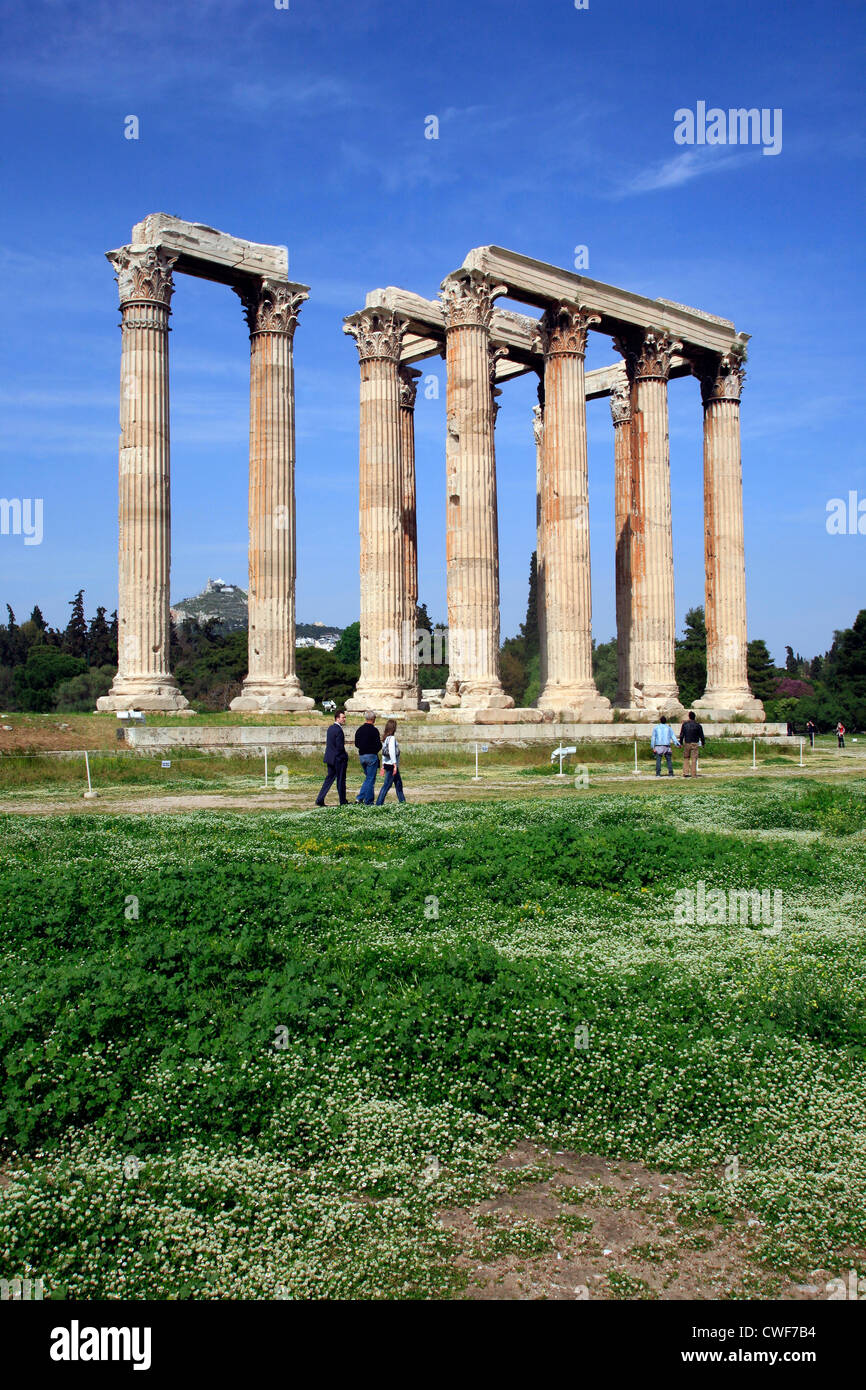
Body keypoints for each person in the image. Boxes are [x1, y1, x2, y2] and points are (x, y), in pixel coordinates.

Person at [315, 709, 348, 807]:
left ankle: (320, 799)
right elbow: (339, 747)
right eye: (343, 717)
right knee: (341, 780)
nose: (344, 719)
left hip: (330, 758)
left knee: (329, 779)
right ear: (337, 718)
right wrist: (344, 757)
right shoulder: (339, 730)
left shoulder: (330, 728)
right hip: (338, 759)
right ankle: (342, 801)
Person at [375, 719, 406, 805]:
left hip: (388, 764)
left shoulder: (386, 738)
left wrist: (383, 765)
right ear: (393, 728)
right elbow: (391, 752)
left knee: (398, 784)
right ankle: (379, 803)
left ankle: (403, 802)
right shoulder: (392, 738)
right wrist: (395, 765)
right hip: (392, 765)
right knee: (386, 785)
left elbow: (384, 753)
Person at [354, 711, 382, 804]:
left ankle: (360, 797)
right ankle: (368, 801)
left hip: (362, 755)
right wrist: (374, 750)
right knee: (371, 779)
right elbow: (378, 744)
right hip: (371, 756)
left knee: (368, 778)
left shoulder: (359, 729)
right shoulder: (374, 730)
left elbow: (356, 743)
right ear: (373, 719)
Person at [678, 710, 705, 778]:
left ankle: (686, 772)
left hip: (687, 743)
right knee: (694, 759)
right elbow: (701, 736)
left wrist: (680, 743)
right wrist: (703, 743)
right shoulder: (698, 725)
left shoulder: (685, 724)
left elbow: (681, 735)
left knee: (686, 758)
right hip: (695, 743)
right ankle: (693, 774)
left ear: (689, 717)